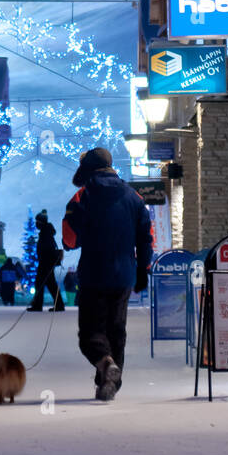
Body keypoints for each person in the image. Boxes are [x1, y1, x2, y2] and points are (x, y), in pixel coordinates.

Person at [62, 147, 153, 401]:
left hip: (93, 274)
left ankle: (104, 362)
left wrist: (71, 240)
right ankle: (109, 384)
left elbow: (70, 238)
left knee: (90, 334)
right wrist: (143, 268)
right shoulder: (134, 197)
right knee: (116, 331)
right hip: (124, 275)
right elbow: (146, 237)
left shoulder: (82, 196)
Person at [27, 210, 65, 312]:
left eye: (37, 222)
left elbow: (46, 250)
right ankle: (58, 305)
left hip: (45, 263)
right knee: (49, 284)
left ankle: (39, 305)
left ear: (41, 222)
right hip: (47, 263)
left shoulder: (45, 233)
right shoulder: (46, 232)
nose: (36, 224)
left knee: (42, 284)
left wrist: (44, 260)